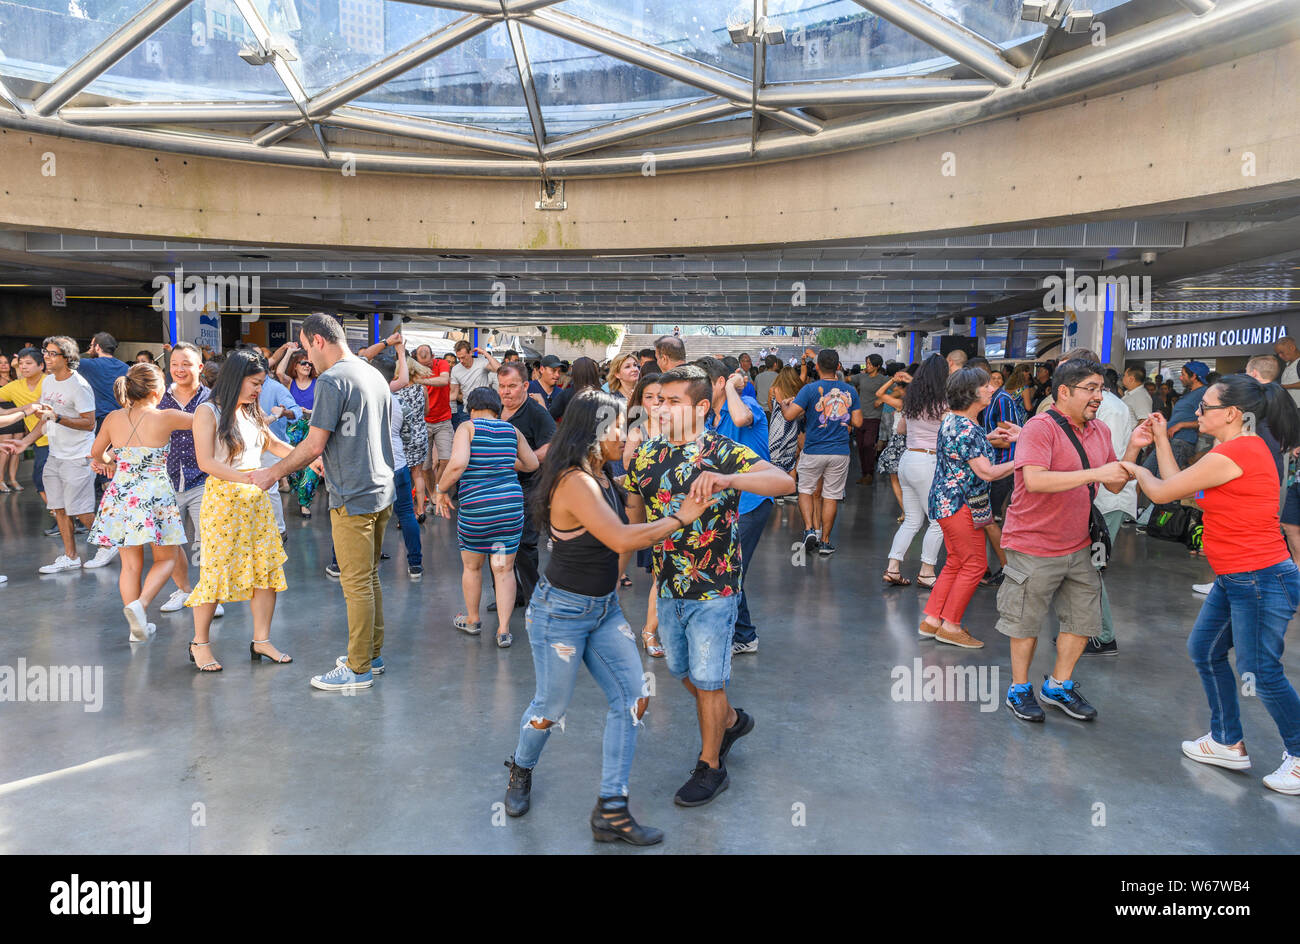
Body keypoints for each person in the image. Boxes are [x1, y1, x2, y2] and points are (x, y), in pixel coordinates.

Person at [502, 390, 714, 844]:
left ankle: (611, 809)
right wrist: (681, 518)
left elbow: (617, 539)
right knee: (551, 708)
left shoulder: (603, 472)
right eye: (621, 426)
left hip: (601, 611)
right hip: (560, 615)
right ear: (596, 431)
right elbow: (620, 538)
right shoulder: (575, 481)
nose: (628, 433)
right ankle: (521, 767)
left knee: (634, 700)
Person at [623, 364, 795, 807]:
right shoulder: (647, 454)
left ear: (701, 406)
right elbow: (635, 512)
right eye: (658, 401)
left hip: (715, 589)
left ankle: (711, 765)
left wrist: (729, 479)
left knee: (709, 680)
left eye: (673, 401)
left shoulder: (721, 449)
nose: (660, 408)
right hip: (667, 585)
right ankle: (732, 721)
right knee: (682, 672)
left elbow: (784, 480)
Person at [1123, 376, 1300, 794]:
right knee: (1204, 650)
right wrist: (1162, 440)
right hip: (1237, 578)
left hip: (1260, 578)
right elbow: (1179, 486)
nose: (1198, 413)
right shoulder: (1228, 451)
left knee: (1261, 670)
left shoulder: (1238, 451)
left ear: (1232, 414)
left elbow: (1163, 493)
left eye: (1205, 407)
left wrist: (1131, 465)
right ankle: (1226, 741)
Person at [250, 313, 397, 692]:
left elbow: (314, 443)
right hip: (381, 489)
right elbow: (351, 434)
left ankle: (358, 666)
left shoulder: (332, 379)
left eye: (303, 347)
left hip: (352, 492)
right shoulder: (370, 372)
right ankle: (372, 655)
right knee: (368, 578)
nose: (306, 359)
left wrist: (271, 473)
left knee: (355, 584)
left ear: (317, 341)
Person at [997, 358, 1143, 724]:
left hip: (1078, 542)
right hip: (1032, 543)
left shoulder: (1100, 432)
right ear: (1064, 391)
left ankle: (1058, 685)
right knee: (1025, 621)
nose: (1099, 396)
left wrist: (1134, 448)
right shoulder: (1039, 427)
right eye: (1090, 389)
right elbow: (1034, 480)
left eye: (1101, 389)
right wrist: (1092, 472)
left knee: (1082, 619)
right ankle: (1019, 688)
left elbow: (1111, 483)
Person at [186, 350, 296, 671]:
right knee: (215, 573)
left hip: (256, 500)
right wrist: (251, 477)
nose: (258, 389)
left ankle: (261, 640)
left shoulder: (251, 411)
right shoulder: (207, 411)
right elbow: (206, 462)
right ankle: (199, 644)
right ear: (236, 378)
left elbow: (274, 445)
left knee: (266, 572)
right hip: (224, 499)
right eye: (255, 382)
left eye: (261, 384)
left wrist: (311, 459)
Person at [86, 363, 192, 642]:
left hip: (122, 493)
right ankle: (141, 606)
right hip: (155, 492)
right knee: (166, 557)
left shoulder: (112, 418)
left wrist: (112, 461)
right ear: (157, 391)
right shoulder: (167, 416)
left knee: (130, 565)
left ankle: (137, 630)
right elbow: (204, 422)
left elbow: (97, 454)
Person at [919, 366, 1016, 648]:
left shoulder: (954, 421)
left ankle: (933, 619)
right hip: (961, 504)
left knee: (955, 561)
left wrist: (987, 439)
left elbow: (961, 448)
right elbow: (986, 473)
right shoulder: (968, 428)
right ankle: (951, 624)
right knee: (975, 564)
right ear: (971, 393)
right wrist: (1022, 462)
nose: (991, 389)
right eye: (986, 386)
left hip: (946, 501)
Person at [434, 386, 538, 647]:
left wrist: (440, 489)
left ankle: (472, 619)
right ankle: (503, 630)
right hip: (509, 507)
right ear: (497, 408)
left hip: (477, 508)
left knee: (472, 566)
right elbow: (532, 463)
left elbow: (457, 464)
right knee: (503, 569)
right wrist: (501, 461)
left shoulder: (467, 428)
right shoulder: (511, 430)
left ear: (471, 409)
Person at [697, 357, 772, 655]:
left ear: (718, 383)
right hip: (725, 505)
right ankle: (743, 634)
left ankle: (737, 635)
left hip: (752, 502)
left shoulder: (746, 405)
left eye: (704, 384)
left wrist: (731, 384)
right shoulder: (709, 418)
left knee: (728, 572)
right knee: (729, 570)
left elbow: (741, 420)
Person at [155, 343, 223, 619]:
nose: (179, 369)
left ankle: (209, 595)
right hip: (165, 481)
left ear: (199, 367)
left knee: (207, 543)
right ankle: (184, 590)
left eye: (185, 364)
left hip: (204, 481)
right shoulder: (158, 398)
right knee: (169, 544)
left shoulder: (213, 399)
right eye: (174, 365)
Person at [775, 348, 862, 554]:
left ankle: (809, 530)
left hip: (813, 449)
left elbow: (789, 416)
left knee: (805, 490)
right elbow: (857, 421)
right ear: (838, 366)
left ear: (817, 367)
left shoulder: (809, 390)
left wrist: (783, 403)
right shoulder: (850, 391)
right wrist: (840, 419)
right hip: (840, 451)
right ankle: (825, 541)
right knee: (831, 495)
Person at [882, 354, 948, 587]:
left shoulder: (912, 401)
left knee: (911, 520)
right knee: (938, 522)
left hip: (907, 460)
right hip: (928, 462)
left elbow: (900, 429)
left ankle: (893, 568)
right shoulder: (943, 404)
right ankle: (927, 571)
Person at [498, 361, 555, 610]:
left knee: (525, 545)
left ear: (524, 385)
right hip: (499, 486)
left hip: (529, 487)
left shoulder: (536, 412)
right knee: (499, 543)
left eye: (511, 386)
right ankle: (511, 594)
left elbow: (550, 446)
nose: (506, 392)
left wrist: (523, 460)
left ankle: (534, 598)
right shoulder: (495, 410)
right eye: (501, 386)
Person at [625, 370, 666, 656]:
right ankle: (649, 632)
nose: (655, 402)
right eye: (648, 397)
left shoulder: (682, 427)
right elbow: (628, 464)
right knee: (659, 577)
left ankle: (655, 630)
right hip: (652, 512)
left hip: (681, 511)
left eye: (661, 397)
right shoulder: (638, 430)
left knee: (671, 576)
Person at [277, 347, 320, 519]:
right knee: (294, 465)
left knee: (312, 465)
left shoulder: (318, 383)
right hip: (292, 430)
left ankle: (305, 503)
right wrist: (288, 351)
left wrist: (309, 411)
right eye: (303, 362)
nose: (307, 365)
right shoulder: (290, 382)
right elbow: (279, 371)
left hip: (312, 427)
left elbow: (323, 406)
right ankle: (300, 493)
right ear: (295, 366)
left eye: (309, 363)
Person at [1145, 361, 1208, 475]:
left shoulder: (1204, 393)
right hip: (1168, 440)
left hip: (1181, 442)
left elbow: (1207, 420)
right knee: (1145, 471)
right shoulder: (1189, 393)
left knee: (1164, 479)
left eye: (1183, 374)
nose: (1180, 377)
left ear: (1194, 376)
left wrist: (1180, 425)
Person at [414, 343, 454, 497]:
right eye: (422, 365)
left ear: (433, 357)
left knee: (446, 459)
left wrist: (422, 381)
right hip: (423, 422)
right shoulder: (414, 369)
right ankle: (432, 495)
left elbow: (444, 380)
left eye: (428, 364)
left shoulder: (442, 363)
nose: (426, 367)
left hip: (443, 420)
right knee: (425, 466)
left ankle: (438, 488)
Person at [851, 354, 889, 485]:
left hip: (873, 417)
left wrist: (881, 399)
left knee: (868, 444)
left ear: (878, 366)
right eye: (866, 363)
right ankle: (865, 473)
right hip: (860, 417)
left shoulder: (882, 379)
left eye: (870, 364)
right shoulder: (861, 377)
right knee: (861, 446)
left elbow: (898, 391)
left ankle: (870, 473)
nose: (867, 366)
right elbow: (848, 379)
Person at [449, 340, 500, 429]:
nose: (461, 361)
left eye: (463, 357)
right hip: (467, 412)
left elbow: (499, 369)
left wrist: (485, 353)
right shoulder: (455, 369)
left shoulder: (481, 362)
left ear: (470, 353)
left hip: (486, 410)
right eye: (459, 358)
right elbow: (453, 395)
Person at [0, 353, 24, 491]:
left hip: (18, 415)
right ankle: (1, 480)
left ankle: (13, 479)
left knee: (16, 450)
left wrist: (17, 367)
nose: (4, 364)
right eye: (0, 362)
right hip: (3, 418)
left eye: (6, 362)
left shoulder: (15, 378)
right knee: (5, 450)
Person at [528, 354, 570, 421]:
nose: (557, 375)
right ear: (542, 369)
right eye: (553, 370)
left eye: (559, 371)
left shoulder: (561, 394)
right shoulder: (528, 388)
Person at [1275, 336, 1300, 407]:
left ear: (1292, 348)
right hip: (1291, 408)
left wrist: (1284, 386)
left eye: (1282, 352)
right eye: (1278, 354)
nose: (1280, 356)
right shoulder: (1288, 364)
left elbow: (1285, 386)